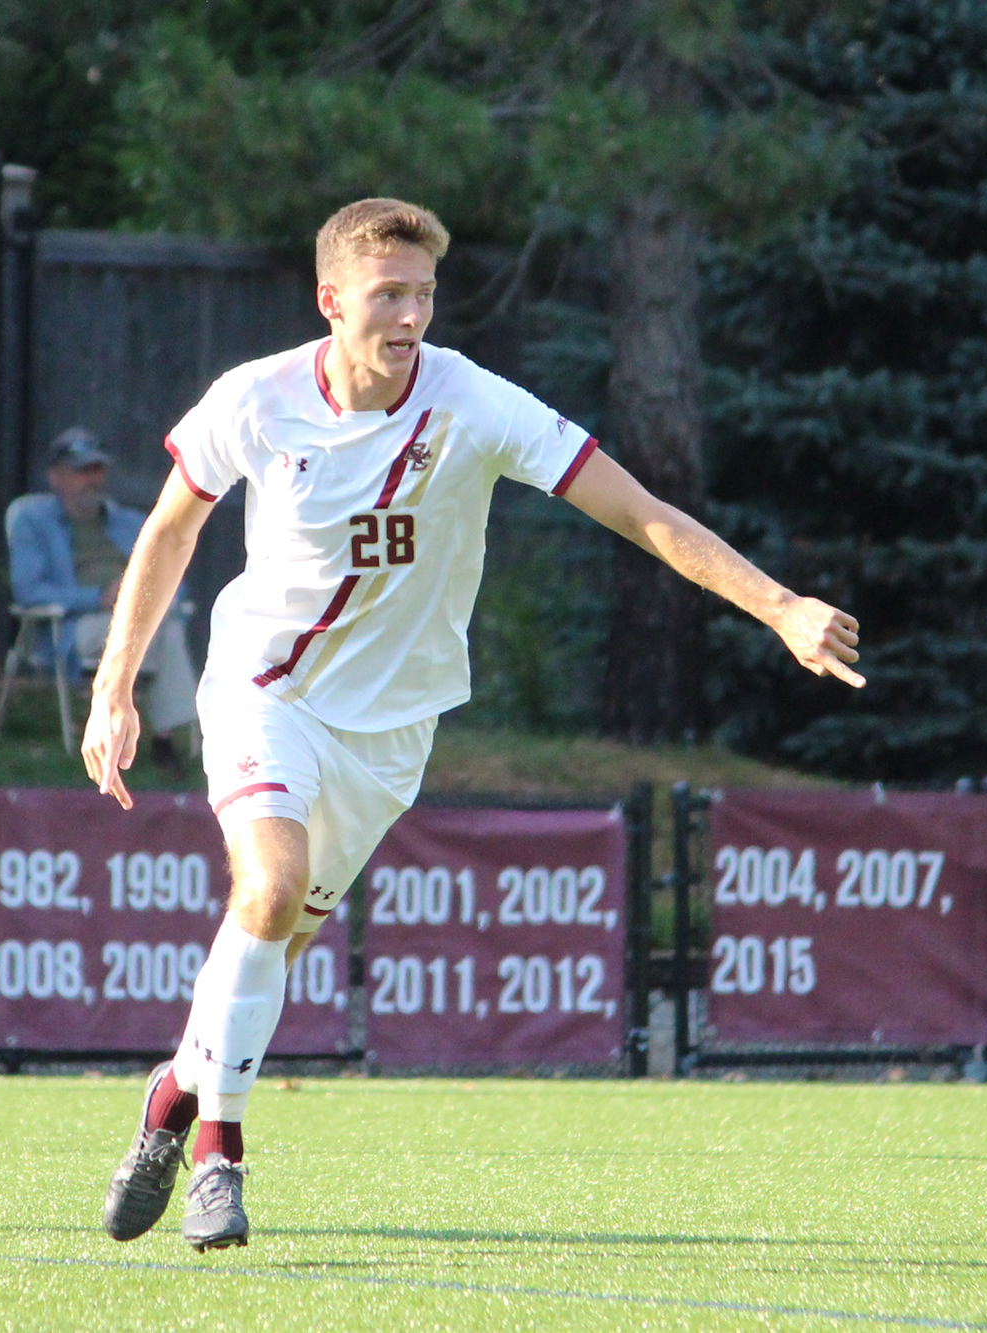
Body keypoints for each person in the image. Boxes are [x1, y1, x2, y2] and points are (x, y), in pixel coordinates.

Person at [84, 199, 864, 1250]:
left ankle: (171, 1100)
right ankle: (219, 1158)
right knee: (264, 889)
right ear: (330, 302)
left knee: (272, 940)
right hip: (266, 687)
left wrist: (779, 606)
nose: (409, 316)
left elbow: (640, 513)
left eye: (422, 294)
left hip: (392, 731)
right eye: (387, 294)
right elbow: (169, 531)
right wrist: (113, 685)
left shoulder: (474, 404)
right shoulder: (257, 401)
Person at [6, 427, 199, 771]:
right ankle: (165, 741)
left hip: (135, 617)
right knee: (165, 632)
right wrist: (98, 598)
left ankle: (155, 739)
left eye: (96, 469)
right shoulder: (32, 522)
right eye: (81, 471)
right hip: (74, 625)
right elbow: (29, 591)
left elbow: (176, 581)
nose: (91, 479)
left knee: (165, 627)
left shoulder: (130, 523)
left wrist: (138, 598)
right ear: (56, 476)